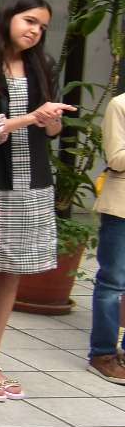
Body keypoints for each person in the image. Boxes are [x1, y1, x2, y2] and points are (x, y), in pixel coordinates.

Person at [0, 0, 72, 401]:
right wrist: (27, 118)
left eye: (42, 26)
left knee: (12, 272)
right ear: (7, 18)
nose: (34, 31)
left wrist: (51, 121)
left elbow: (53, 132)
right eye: (29, 21)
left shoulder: (43, 66)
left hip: (33, 182)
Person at [90, 89, 125, 384]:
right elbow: (116, 158)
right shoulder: (119, 105)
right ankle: (102, 353)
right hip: (121, 207)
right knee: (112, 283)